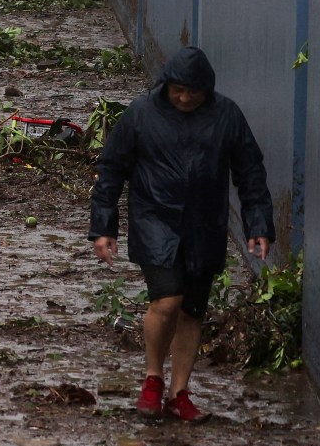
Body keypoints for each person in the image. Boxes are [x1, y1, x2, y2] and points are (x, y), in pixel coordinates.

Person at [89, 45, 274, 422]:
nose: (185, 98)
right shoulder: (141, 114)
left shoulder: (226, 117)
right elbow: (111, 170)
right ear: (166, 85)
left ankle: (179, 393)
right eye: (178, 90)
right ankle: (153, 379)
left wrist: (258, 223)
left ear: (207, 88)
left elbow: (250, 171)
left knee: (192, 311)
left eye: (193, 91)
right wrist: (103, 226)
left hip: (204, 226)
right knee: (167, 300)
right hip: (155, 220)